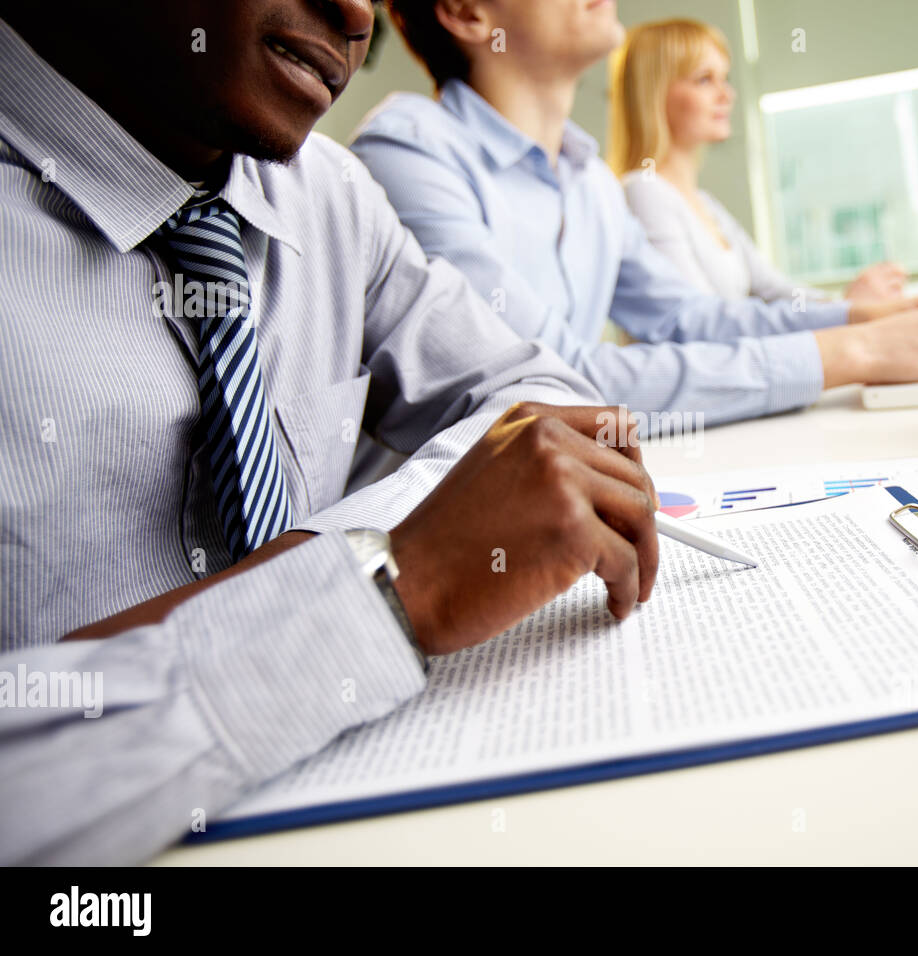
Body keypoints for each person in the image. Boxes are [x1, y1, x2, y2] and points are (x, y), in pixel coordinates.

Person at [0, 0, 661, 865]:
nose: (355, 12)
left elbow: (543, 397)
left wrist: (365, 562)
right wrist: (384, 584)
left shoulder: (328, 194)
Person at [351, 0, 918, 431]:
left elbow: (687, 317)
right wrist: (853, 351)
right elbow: (555, 384)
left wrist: (863, 316)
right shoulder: (410, 150)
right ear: (467, 12)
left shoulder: (590, 180)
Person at [609, 18, 905, 305]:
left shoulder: (704, 203)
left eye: (724, 78)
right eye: (704, 79)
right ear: (654, 95)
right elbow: (703, 321)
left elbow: (773, 288)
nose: (727, 94)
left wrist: (849, 306)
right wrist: (847, 310)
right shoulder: (643, 190)